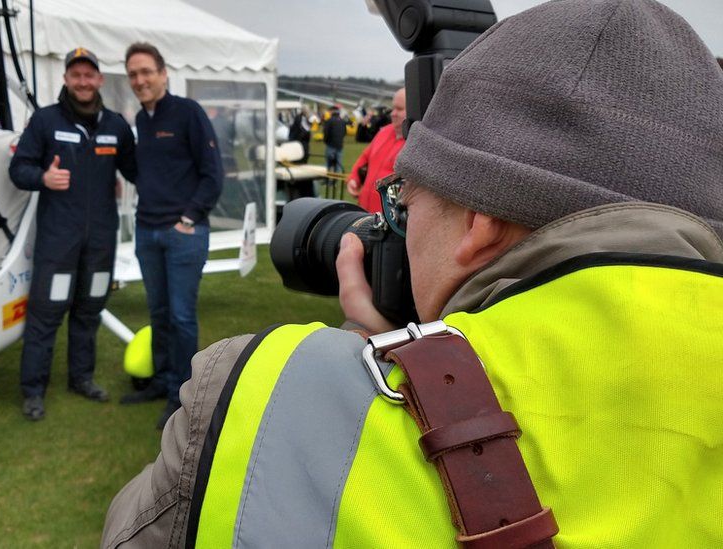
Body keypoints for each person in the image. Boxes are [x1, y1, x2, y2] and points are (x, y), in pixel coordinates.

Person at [102, 1, 723, 546]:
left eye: (400, 200)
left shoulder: (264, 405)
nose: (388, 227)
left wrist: (365, 358)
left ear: (480, 221)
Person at [8, 47, 137, 421]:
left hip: (100, 243)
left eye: (89, 75)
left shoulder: (115, 125)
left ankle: (81, 378)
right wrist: (43, 177)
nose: (83, 81)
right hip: (58, 243)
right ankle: (33, 391)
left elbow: (136, 170)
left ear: (99, 79)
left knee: (89, 311)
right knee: (46, 315)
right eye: (75, 75)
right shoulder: (46, 122)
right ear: (66, 80)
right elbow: (19, 169)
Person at [118, 42, 224, 429]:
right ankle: (161, 382)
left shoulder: (188, 113)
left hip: (182, 233)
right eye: (133, 74)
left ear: (163, 73)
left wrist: (189, 217)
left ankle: (182, 395)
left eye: (146, 72)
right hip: (148, 231)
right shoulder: (142, 120)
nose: (140, 80)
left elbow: (213, 173)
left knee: (181, 317)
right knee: (159, 313)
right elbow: (144, 171)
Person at [346, 88, 406, 213]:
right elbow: (365, 157)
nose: (393, 113)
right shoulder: (384, 132)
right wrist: (353, 179)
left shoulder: (417, 143)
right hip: (364, 212)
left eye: (399, 109)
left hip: (391, 220)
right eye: (393, 108)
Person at [322, 104, 346, 173]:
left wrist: (325, 141)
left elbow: (326, 132)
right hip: (340, 144)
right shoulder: (342, 121)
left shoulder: (329, 121)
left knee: (328, 163)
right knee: (338, 163)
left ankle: (327, 177)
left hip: (331, 144)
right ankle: (337, 178)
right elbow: (344, 132)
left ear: (332, 111)